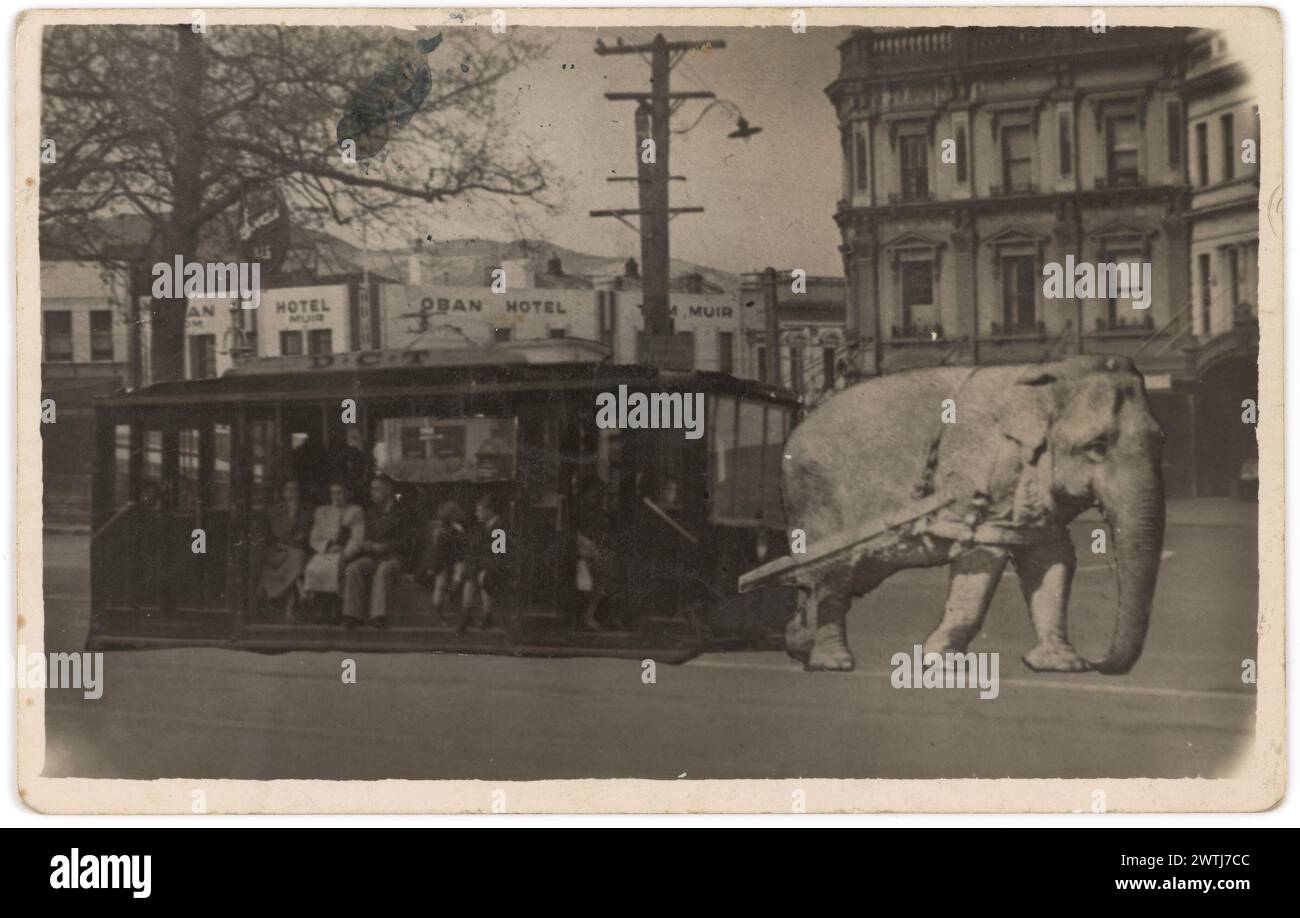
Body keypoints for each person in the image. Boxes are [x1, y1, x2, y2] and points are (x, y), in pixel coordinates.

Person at [341, 473, 412, 628]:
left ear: (387, 490)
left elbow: (409, 540)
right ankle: (352, 615)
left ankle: (378, 616)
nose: (372, 493)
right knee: (353, 568)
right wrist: (367, 544)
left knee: (383, 569)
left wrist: (386, 546)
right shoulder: (372, 512)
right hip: (374, 556)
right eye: (372, 489)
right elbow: (366, 535)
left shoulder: (403, 511)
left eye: (376, 489)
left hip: (395, 557)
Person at [303, 479, 364, 621]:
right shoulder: (322, 511)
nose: (337, 496)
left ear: (348, 494)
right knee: (314, 567)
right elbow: (314, 537)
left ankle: (335, 608)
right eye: (333, 493)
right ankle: (321, 606)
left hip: (345, 552)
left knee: (335, 566)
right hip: (325, 551)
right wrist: (327, 547)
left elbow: (357, 538)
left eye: (340, 492)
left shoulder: (355, 511)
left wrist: (344, 553)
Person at [257, 479, 313, 620]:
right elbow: (271, 535)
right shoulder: (273, 510)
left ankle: (290, 609)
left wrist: (299, 538)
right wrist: (283, 543)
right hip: (277, 551)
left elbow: (306, 534)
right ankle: (300, 590)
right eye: (288, 489)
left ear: (299, 492)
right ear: (283, 492)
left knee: (297, 556)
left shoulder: (306, 510)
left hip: (296, 550)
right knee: (296, 558)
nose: (291, 493)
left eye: (295, 489)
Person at [458, 494, 508, 632]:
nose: (477, 513)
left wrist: (483, 568)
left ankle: (485, 616)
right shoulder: (484, 527)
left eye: (479, 510)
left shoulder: (499, 528)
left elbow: (498, 553)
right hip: (484, 565)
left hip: (496, 566)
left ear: (489, 511)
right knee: (470, 578)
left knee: (481, 578)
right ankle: (467, 616)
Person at [415, 499, 466, 622]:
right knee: (441, 579)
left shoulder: (457, 529)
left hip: (450, 561)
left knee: (458, 569)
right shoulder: (438, 530)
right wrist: (433, 567)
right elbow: (436, 552)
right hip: (436, 564)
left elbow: (460, 550)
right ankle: (438, 611)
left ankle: (453, 588)